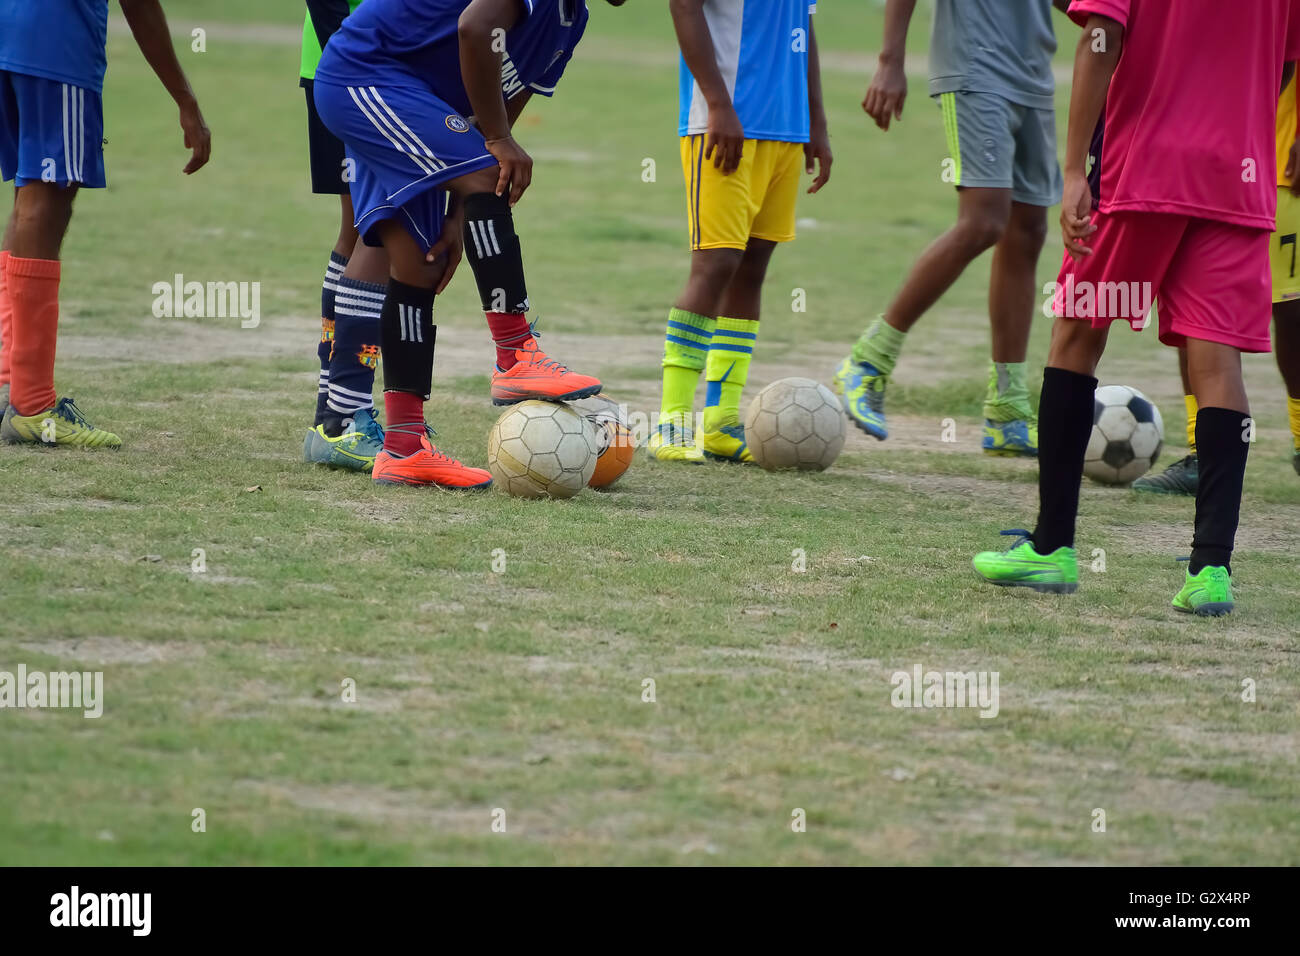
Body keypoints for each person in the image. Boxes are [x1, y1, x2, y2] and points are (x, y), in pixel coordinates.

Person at [973, 0, 1300, 617]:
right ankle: (1211, 571)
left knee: (1076, 334)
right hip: (1238, 178)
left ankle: (1051, 549)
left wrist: (1073, 170)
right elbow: (1284, 64)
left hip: (1145, 168)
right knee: (1217, 361)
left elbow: (1101, 37)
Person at [313, 0, 625, 489]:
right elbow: (474, 27)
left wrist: (459, 214)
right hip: (365, 77)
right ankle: (516, 353)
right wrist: (497, 141)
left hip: (417, 99)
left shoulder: (571, 18)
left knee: (419, 260)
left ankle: (403, 447)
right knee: (487, 171)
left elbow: (505, 97)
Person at [833, 0, 1072, 458]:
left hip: (1034, 73)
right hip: (974, 68)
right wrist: (890, 61)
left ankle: (1007, 409)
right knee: (983, 221)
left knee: (1028, 233)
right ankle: (866, 363)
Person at [0, 0, 210, 446]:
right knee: (47, 197)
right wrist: (184, 98)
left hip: (9, 33)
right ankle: (33, 404)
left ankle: (9, 381)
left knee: (27, 194)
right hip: (56, 46)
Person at [650, 0, 831, 464]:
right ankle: (672, 421)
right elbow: (683, 8)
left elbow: (804, 32)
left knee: (752, 270)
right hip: (722, 123)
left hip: (785, 130)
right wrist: (717, 104)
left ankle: (721, 422)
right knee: (716, 265)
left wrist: (816, 123)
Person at [1136, 74, 1300, 493]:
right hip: (1204, 162)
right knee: (1193, 309)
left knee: (1292, 310)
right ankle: (1199, 453)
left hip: (1280, 163)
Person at [300, 0, 395, 473]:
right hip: (358, 66)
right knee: (379, 226)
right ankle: (344, 419)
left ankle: (333, 409)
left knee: (359, 226)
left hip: (347, 62)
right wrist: (355, 56)